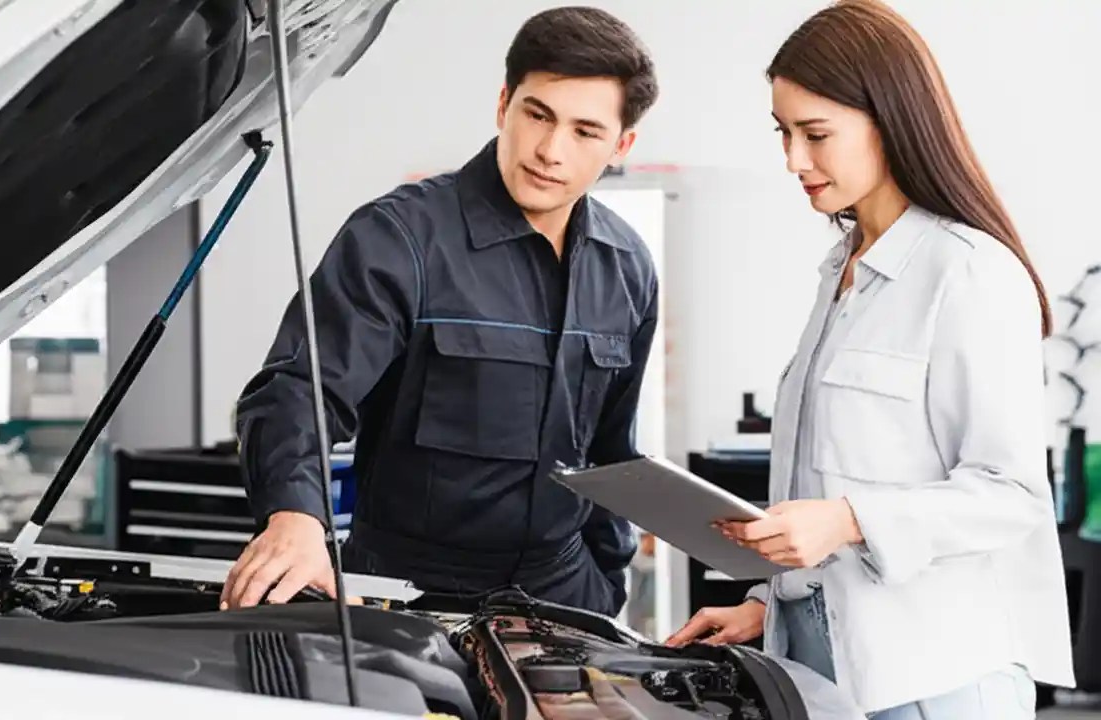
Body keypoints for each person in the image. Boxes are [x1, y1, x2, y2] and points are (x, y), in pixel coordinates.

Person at [665, 1, 1074, 717]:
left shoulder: (968, 272)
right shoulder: (842, 272)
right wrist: (768, 604)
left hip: (935, 683)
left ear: (888, 119)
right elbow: (840, 477)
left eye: (815, 134)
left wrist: (848, 519)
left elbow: (1011, 494)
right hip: (826, 669)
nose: (794, 160)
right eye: (784, 134)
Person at [220, 7, 660, 618]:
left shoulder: (630, 267)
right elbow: (299, 390)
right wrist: (295, 518)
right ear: (504, 104)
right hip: (407, 594)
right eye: (538, 115)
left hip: (563, 598)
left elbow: (613, 452)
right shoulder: (398, 239)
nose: (551, 151)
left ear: (621, 144)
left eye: (585, 132)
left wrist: (605, 584)